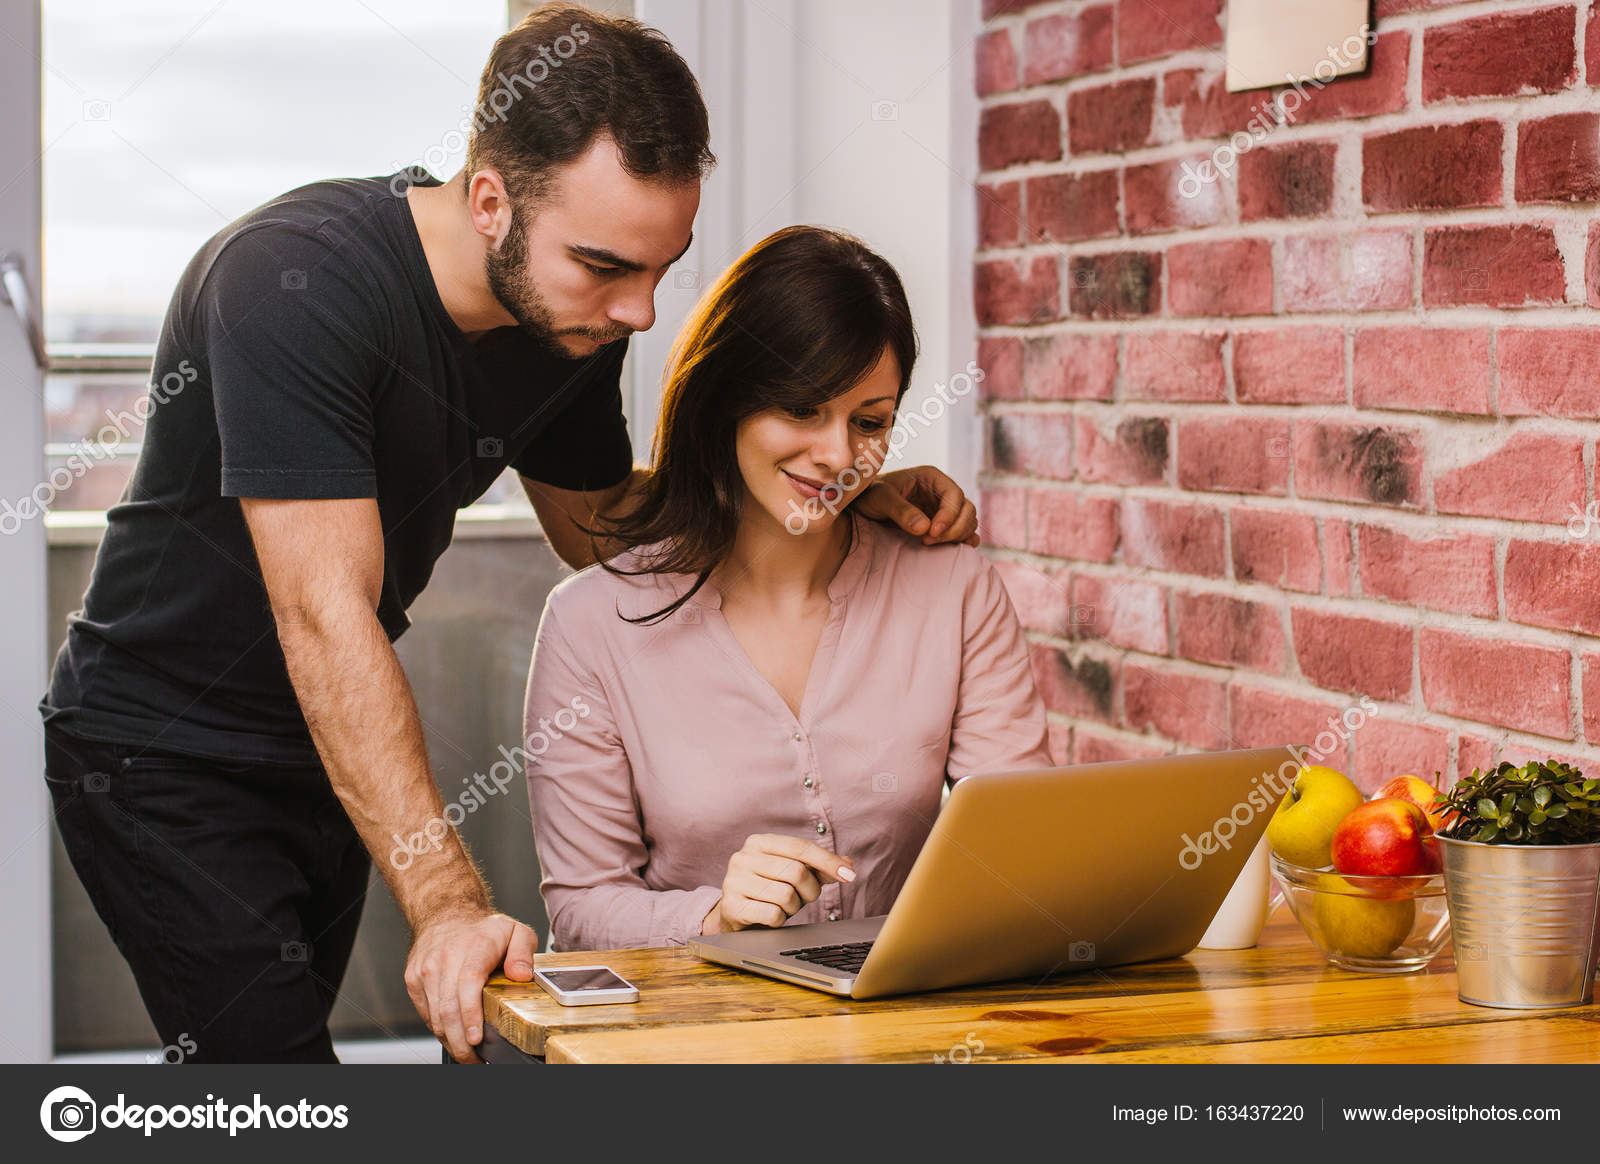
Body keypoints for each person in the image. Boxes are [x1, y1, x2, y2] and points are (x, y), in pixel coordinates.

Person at [39, 5, 976, 1064]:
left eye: (659, 269)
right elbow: (324, 614)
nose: (639, 312)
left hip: (324, 745)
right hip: (165, 745)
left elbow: (598, 528)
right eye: (606, 267)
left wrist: (831, 487)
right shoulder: (294, 283)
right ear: (489, 201)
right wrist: (449, 904)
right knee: (273, 1084)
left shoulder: (569, 321)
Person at [523, 226, 1049, 951]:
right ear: (724, 398)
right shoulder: (591, 623)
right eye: (802, 409)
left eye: (869, 422)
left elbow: (1023, 839)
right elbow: (583, 910)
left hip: (902, 1011)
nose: (838, 455)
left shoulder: (955, 588)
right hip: (695, 1017)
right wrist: (714, 918)